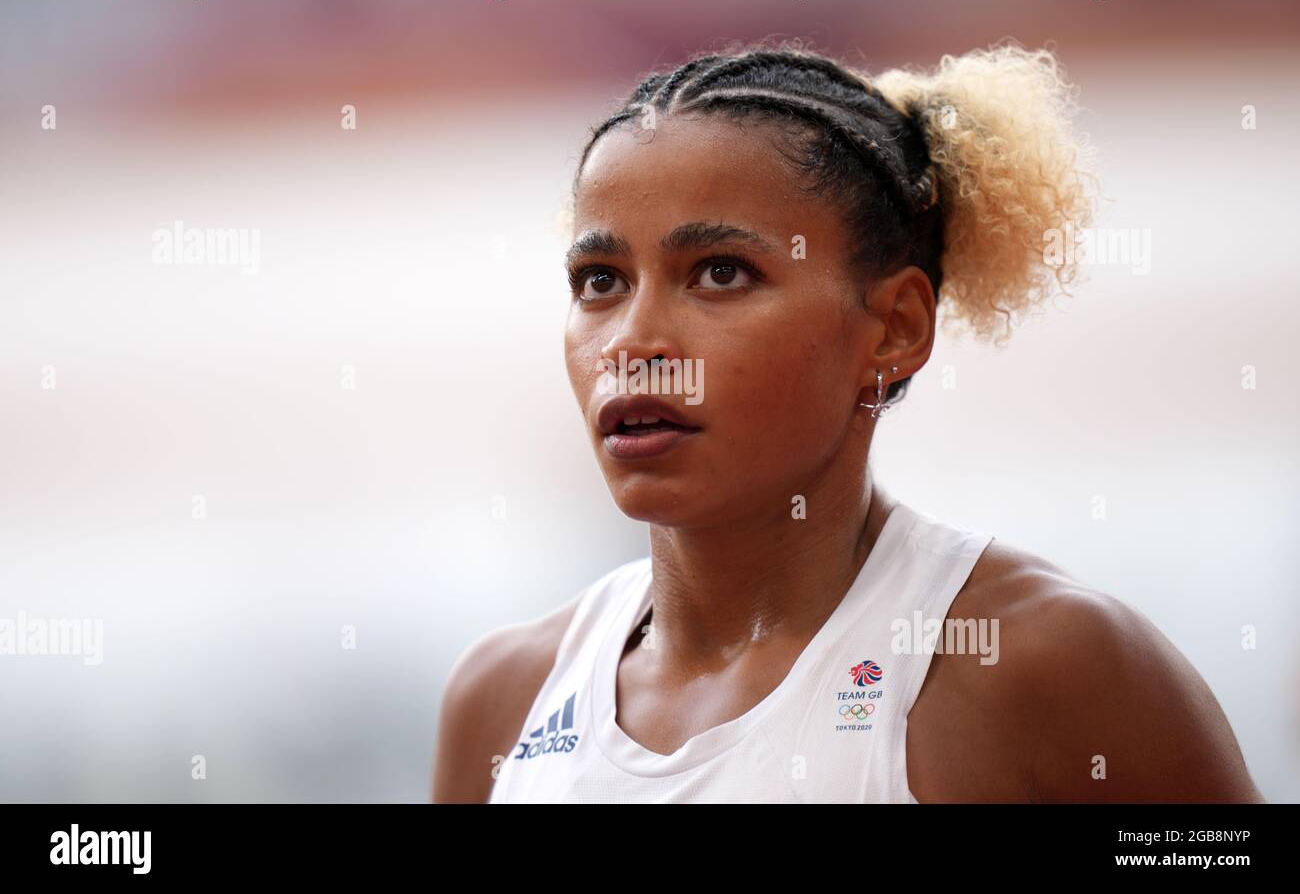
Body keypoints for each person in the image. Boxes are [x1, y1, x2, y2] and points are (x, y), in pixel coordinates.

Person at [432, 39, 1265, 803]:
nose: (634, 342)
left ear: (897, 326)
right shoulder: (503, 700)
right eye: (600, 280)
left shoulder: (1044, 664)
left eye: (720, 272)